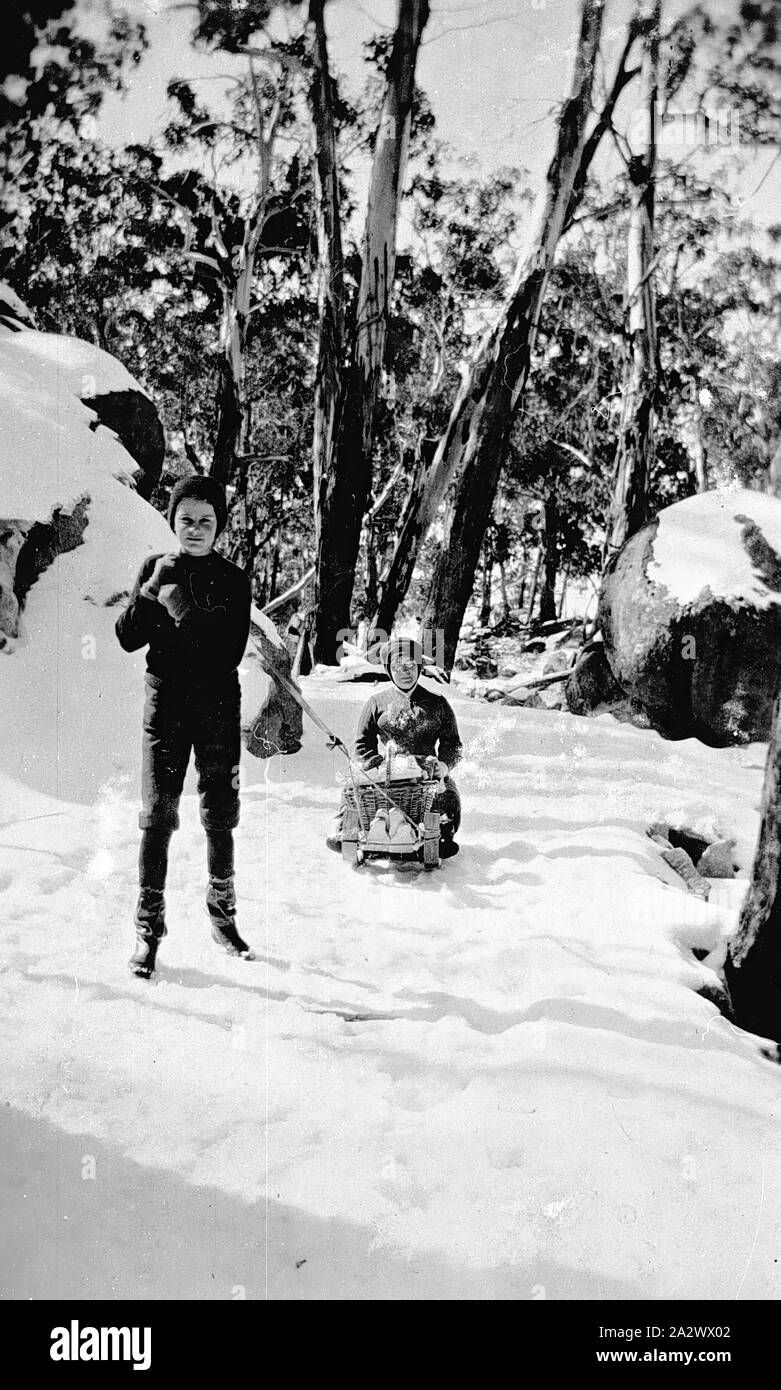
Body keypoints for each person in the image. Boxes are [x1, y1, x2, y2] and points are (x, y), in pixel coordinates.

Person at [115, 476, 253, 978]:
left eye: (206, 521)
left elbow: (226, 653)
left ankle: (223, 917)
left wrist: (180, 609)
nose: (195, 529)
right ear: (173, 521)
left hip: (217, 706)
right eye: (186, 519)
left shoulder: (235, 580)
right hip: (166, 706)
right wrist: (152, 596)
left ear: (219, 527)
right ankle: (149, 929)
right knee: (157, 814)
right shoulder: (154, 568)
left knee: (220, 813)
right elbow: (128, 638)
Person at [326, 636, 463, 858]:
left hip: (426, 771)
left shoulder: (437, 703)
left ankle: (442, 835)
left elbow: (453, 744)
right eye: (397, 666)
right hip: (387, 770)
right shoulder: (376, 703)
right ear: (389, 670)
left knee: (448, 793)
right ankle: (347, 832)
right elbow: (362, 742)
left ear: (419, 668)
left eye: (410, 665)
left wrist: (444, 766)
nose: (405, 672)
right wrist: (373, 766)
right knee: (351, 790)